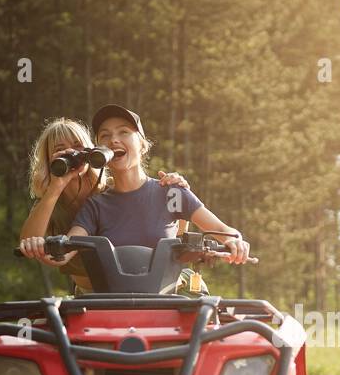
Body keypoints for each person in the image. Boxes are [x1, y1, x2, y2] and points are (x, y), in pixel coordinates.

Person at [19, 104, 249, 283]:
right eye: (105, 136)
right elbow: (64, 251)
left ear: (142, 145)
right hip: (111, 306)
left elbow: (221, 230)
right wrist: (45, 247)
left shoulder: (171, 192)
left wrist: (236, 241)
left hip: (167, 302)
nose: (114, 139)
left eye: (124, 132)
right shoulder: (95, 205)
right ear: (99, 151)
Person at [18, 117, 194, 292]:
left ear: (91, 151)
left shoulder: (110, 190)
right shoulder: (50, 206)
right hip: (92, 294)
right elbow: (28, 243)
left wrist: (179, 193)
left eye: (77, 146)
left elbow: (170, 231)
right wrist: (56, 187)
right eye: (60, 149)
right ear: (49, 161)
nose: (70, 152)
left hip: (143, 286)